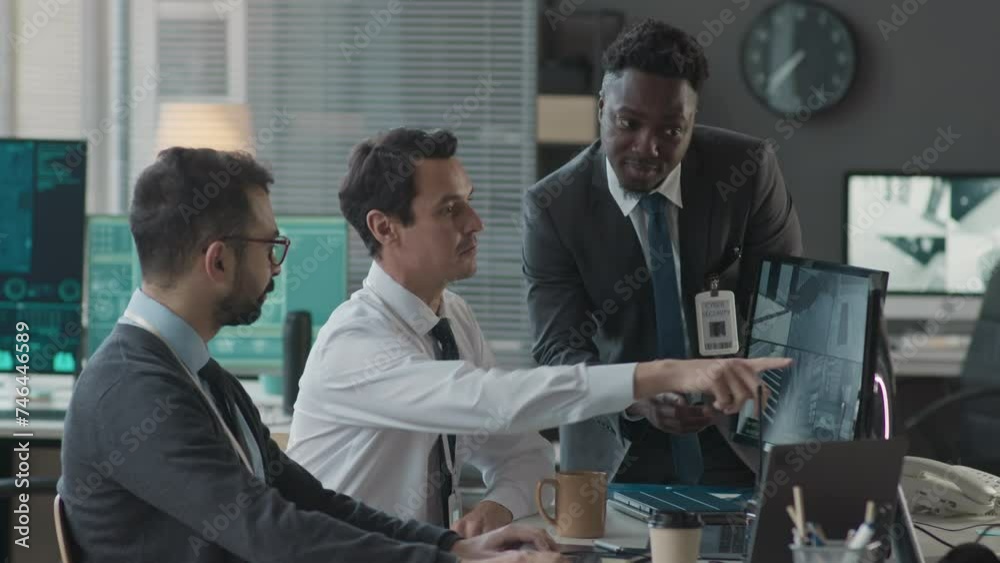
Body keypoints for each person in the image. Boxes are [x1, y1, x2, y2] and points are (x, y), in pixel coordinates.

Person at [57, 147, 566, 563]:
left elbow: (309, 500)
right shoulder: (132, 391)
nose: (276, 269)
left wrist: (451, 545)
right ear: (218, 260)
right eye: (269, 247)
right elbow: (269, 532)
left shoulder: (199, 375)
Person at [286, 127, 790, 536]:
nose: (476, 222)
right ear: (384, 228)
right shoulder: (354, 344)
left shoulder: (451, 317)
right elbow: (492, 402)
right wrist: (663, 373)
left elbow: (522, 453)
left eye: (469, 201)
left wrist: (498, 508)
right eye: (449, 210)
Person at [522, 19, 803, 487]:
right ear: (602, 109)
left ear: (693, 121)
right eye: (628, 123)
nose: (647, 148)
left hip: (741, 441)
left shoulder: (747, 172)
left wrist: (732, 383)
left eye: (671, 130)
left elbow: (788, 302)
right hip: (615, 451)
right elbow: (558, 348)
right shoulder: (554, 207)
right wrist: (637, 394)